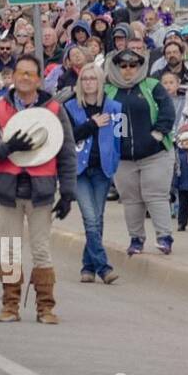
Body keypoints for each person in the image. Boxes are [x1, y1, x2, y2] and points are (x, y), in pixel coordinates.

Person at [0, 54, 77, 322]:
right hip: (9, 189)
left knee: (41, 249)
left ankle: (45, 307)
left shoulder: (54, 109)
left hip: (41, 190)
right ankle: (10, 304)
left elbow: (66, 152)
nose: (24, 78)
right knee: (10, 248)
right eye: (20, 73)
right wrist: (7, 148)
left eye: (30, 74)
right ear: (14, 76)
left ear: (39, 80)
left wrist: (68, 192)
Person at [104, 47, 176, 256]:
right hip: (122, 158)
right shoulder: (107, 90)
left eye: (133, 65)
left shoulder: (152, 86)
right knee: (131, 200)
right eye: (123, 66)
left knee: (155, 195)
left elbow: (167, 111)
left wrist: (159, 134)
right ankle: (136, 239)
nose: (128, 70)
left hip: (155, 154)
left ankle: (164, 237)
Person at [63, 63, 120, 284]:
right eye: (84, 79)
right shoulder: (70, 107)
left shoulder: (114, 107)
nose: (88, 83)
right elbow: (67, 136)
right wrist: (91, 124)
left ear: (100, 81)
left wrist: (115, 164)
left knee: (98, 218)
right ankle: (104, 267)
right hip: (79, 170)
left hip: (103, 169)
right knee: (89, 217)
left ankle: (88, 266)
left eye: (92, 78)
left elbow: (119, 137)